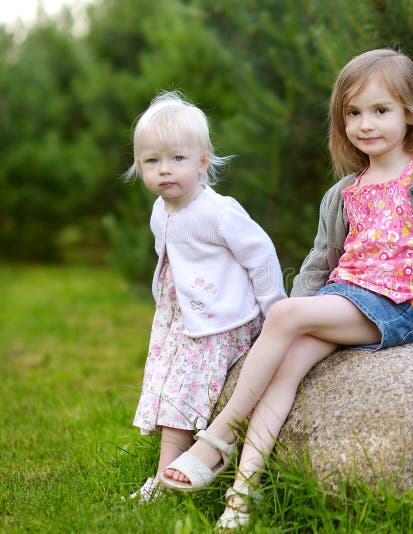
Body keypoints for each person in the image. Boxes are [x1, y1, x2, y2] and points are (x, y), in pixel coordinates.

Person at [157, 49, 413, 529]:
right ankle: (240, 498)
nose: (365, 124)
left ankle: (217, 438)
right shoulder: (343, 192)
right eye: (353, 113)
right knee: (286, 368)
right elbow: (320, 261)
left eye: (381, 110)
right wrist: (289, 319)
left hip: (399, 306)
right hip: (347, 296)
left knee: (286, 317)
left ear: (411, 113)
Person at [125, 91, 286, 502]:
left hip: (222, 319)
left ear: (202, 161)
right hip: (181, 317)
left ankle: (167, 477)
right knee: (164, 381)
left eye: (177, 158)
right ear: (139, 166)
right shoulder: (160, 211)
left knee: (183, 388)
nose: (165, 170)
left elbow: (262, 255)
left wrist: (275, 312)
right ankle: (170, 465)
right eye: (152, 161)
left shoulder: (218, 212)